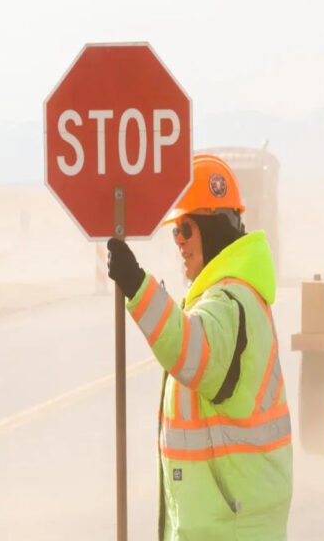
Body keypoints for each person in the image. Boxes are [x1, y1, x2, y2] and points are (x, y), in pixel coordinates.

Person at [106, 154, 293, 541]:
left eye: (186, 229)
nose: (179, 241)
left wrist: (136, 285)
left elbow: (193, 351)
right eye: (175, 231)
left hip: (232, 526)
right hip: (226, 520)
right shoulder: (228, 297)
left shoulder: (231, 301)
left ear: (214, 227)